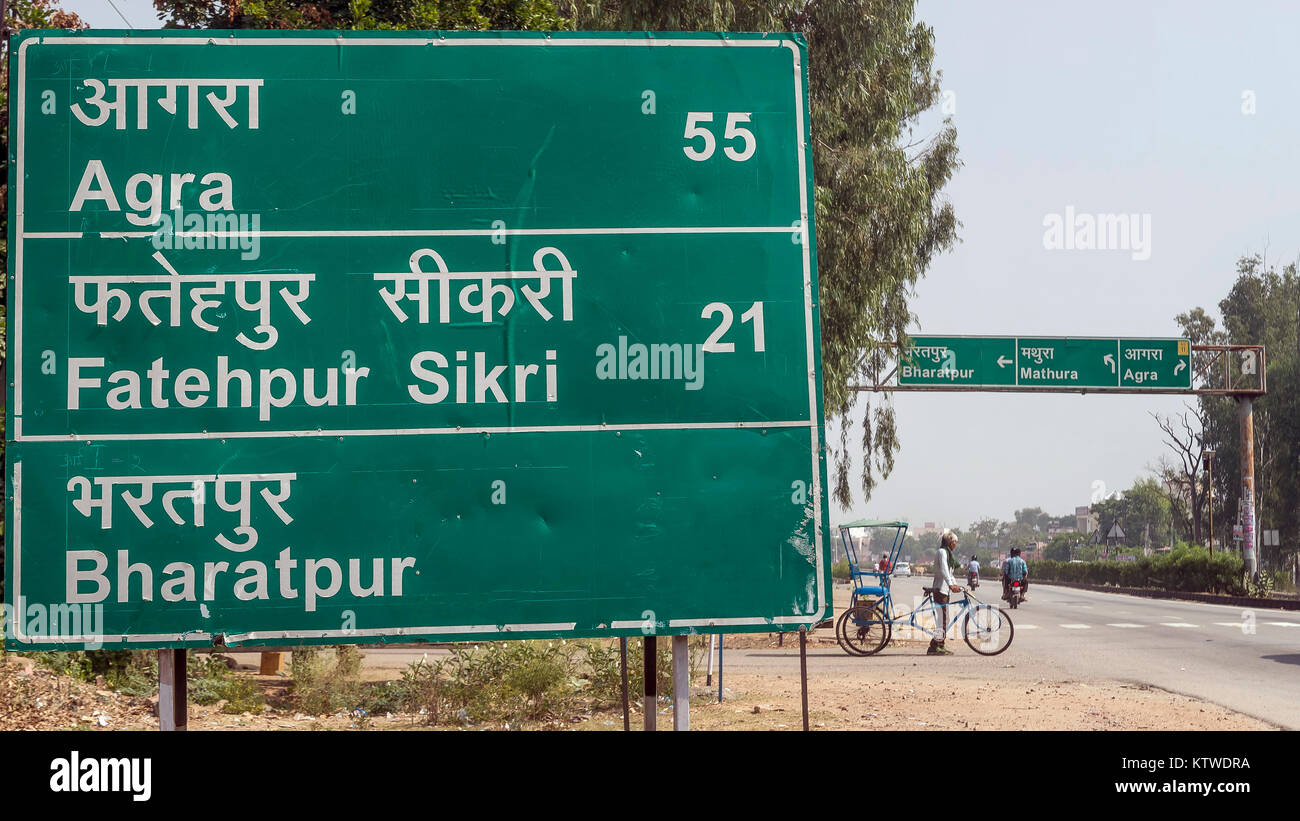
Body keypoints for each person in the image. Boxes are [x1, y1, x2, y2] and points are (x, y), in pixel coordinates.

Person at [928, 532, 963, 655]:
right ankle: (938, 646)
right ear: (949, 542)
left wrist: (955, 585)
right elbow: (943, 570)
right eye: (954, 542)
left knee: (944, 619)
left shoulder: (948, 554)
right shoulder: (942, 552)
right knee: (942, 620)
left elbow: (950, 573)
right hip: (940, 589)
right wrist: (950, 584)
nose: (955, 545)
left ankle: (935, 644)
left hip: (945, 590)